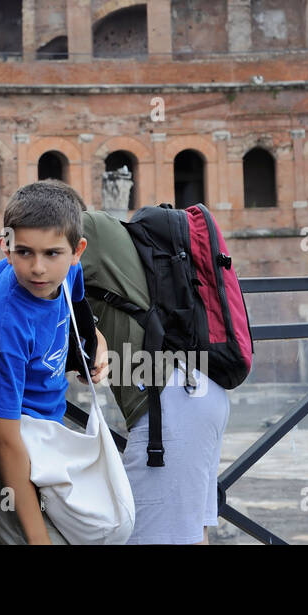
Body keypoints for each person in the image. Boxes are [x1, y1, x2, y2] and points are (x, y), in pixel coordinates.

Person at [79, 209, 231, 545]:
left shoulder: (83, 230)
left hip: (169, 407)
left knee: (149, 537)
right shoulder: (113, 236)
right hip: (198, 391)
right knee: (191, 536)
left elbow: (15, 285)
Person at [0, 180, 108, 545]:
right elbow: (3, 440)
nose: (38, 268)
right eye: (24, 253)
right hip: (9, 440)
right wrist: (38, 540)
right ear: (6, 247)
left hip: (49, 427)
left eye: (51, 254)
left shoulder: (68, 271)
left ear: (77, 251)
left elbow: (78, 306)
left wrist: (94, 341)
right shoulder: (4, 323)